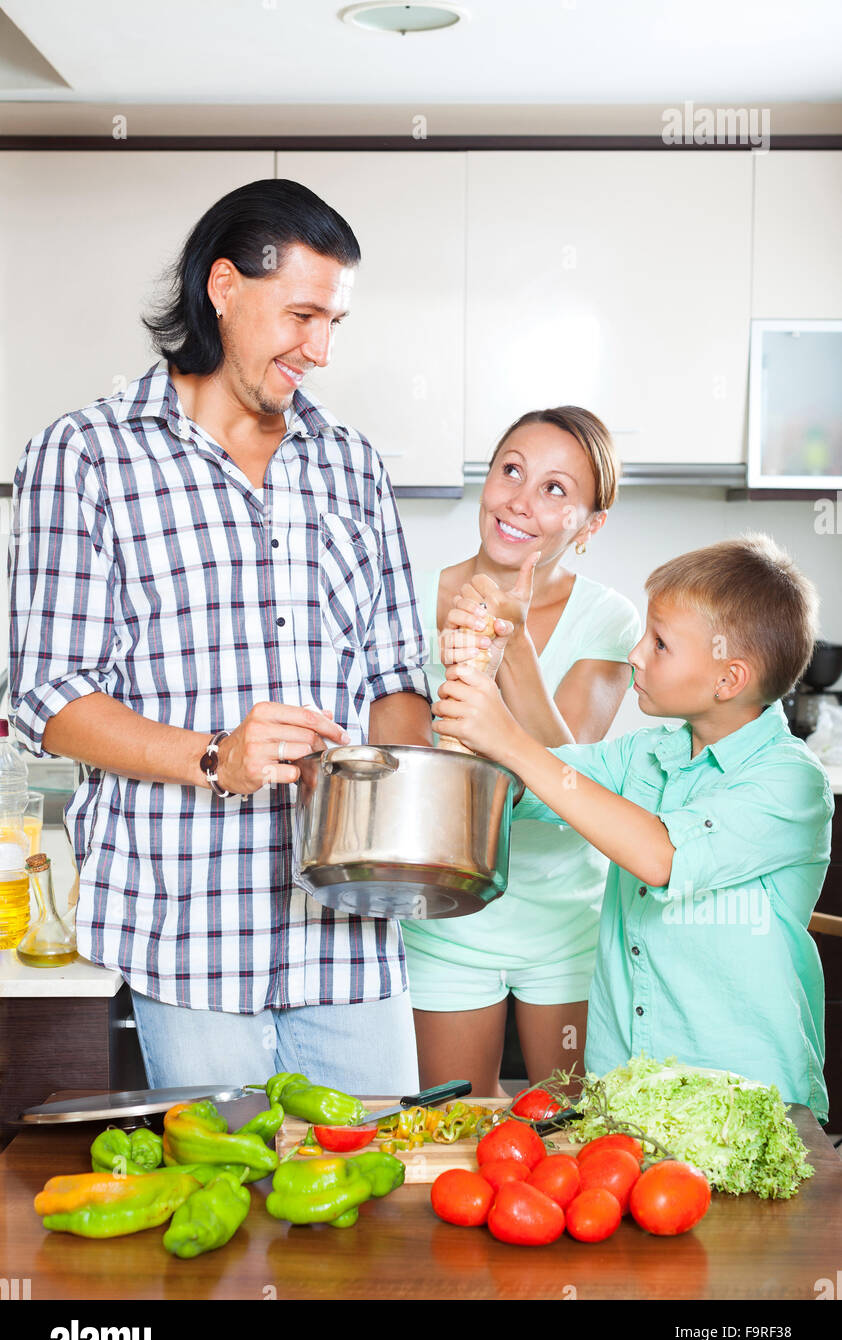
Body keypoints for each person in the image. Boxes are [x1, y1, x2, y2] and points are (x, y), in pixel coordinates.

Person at [9, 179, 432, 1096]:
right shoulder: (84, 456)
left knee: (373, 1212)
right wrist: (216, 758)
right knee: (228, 1211)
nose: (319, 349)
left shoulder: (352, 466)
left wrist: (411, 799)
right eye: (302, 314)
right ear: (225, 287)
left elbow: (399, 676)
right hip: (189, 932)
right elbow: (48, 696)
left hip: (350, 937)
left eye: (336, 322)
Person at [432, 533, 832, 1119]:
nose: (637, 654)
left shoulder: (789, 783)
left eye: (661, 643)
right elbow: (529, 788)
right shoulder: (644, 755)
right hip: (627, 1094)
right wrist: (480, 670)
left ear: (729, 679)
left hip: (745, 1106)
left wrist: (510, 739)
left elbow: (661, 856)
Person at [402, 407, 642, 1096]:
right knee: (453, 1137)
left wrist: (516, 654)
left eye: (555, 489)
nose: (520, 501)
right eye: (512, 470)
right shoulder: (408, 599)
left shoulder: (610, 619)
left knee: (574, 1138)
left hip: (565, 920)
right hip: (445, 919)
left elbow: (569, 789)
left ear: (590, 525)